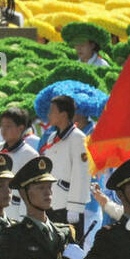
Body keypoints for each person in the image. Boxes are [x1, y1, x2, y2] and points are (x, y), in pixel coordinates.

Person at [39, 95, 91, 235]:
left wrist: (76, 206)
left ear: (63, 114)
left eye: (52, 111)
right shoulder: (52, 138)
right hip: (51, 201)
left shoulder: (78, 138)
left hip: (68, 205)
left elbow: (81, 174)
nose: (49, 114)